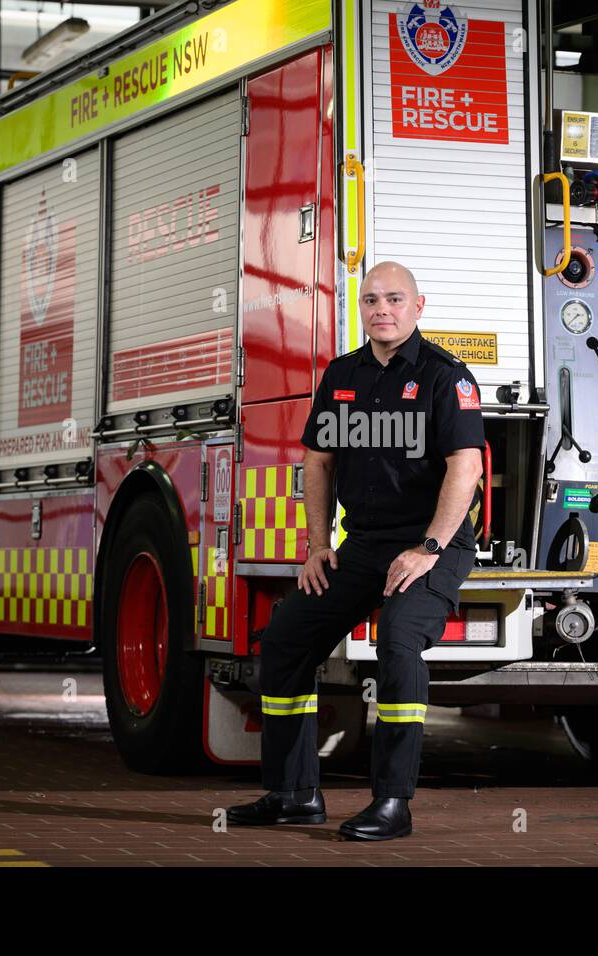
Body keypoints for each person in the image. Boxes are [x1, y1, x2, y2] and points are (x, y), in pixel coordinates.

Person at [226, 261, 485, 841]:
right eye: (370, 300)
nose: (381, 309)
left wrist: (428, 549)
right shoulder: (343, 375)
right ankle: (293, 792)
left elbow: (466, 467)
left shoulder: (447, 377)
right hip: (363, 545)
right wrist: (318, 545)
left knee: (398, 643)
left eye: (394, 299)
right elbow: (317, 460)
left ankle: (393, 802)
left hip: (433, 544)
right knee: (287, 638)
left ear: (419, 307)